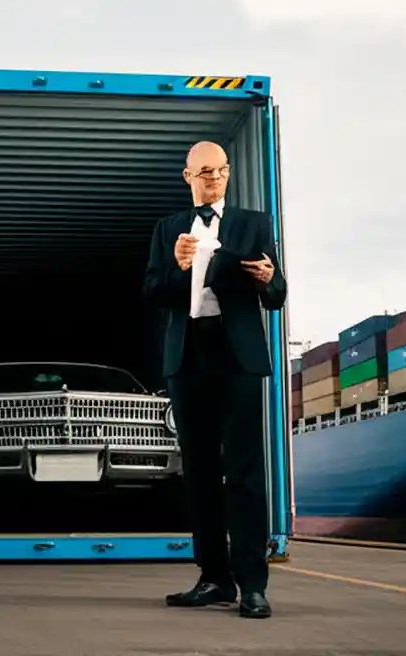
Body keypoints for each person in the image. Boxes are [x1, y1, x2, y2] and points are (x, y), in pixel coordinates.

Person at [143, 140, 286, 619]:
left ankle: (253, 586)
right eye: (205, 171)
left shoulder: (254, 223)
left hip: (238, 355)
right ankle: (213, 579)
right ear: (187, 176)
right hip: (188, 357)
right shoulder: (168, 230)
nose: (215, 178)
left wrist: (269, 278)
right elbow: (152, 292)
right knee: (200, 472)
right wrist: (178, 268)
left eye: (222, 170)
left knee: (244, 471)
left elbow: (277, 291)